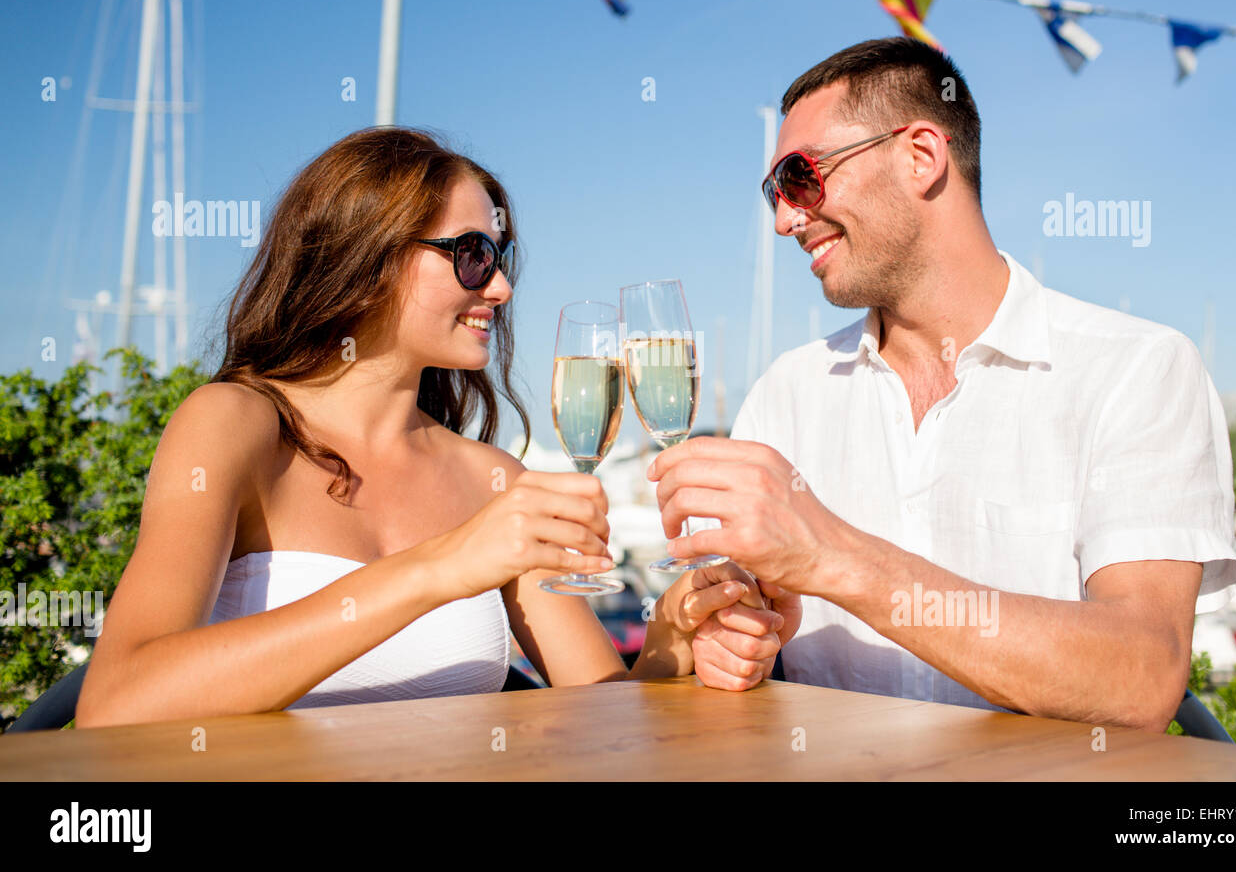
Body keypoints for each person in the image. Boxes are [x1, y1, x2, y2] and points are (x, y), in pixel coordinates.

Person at [75, 127, 782, 727]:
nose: (500, 288)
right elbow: (116, 701)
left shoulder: (496, 483)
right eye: (472, 255)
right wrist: (439, 567)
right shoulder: (236, 425)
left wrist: (671, 636)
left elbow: (603, 717)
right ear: (368, 257)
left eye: (499, 260)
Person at [649, 37, 1236, 732]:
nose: (784, 218)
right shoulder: (785, 395)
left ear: (922, 157)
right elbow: (734, 627)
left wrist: (835, 557)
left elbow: (1144, 674)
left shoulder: (1136, 369)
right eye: (775, 193)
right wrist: (729, 640)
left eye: (799, 177)